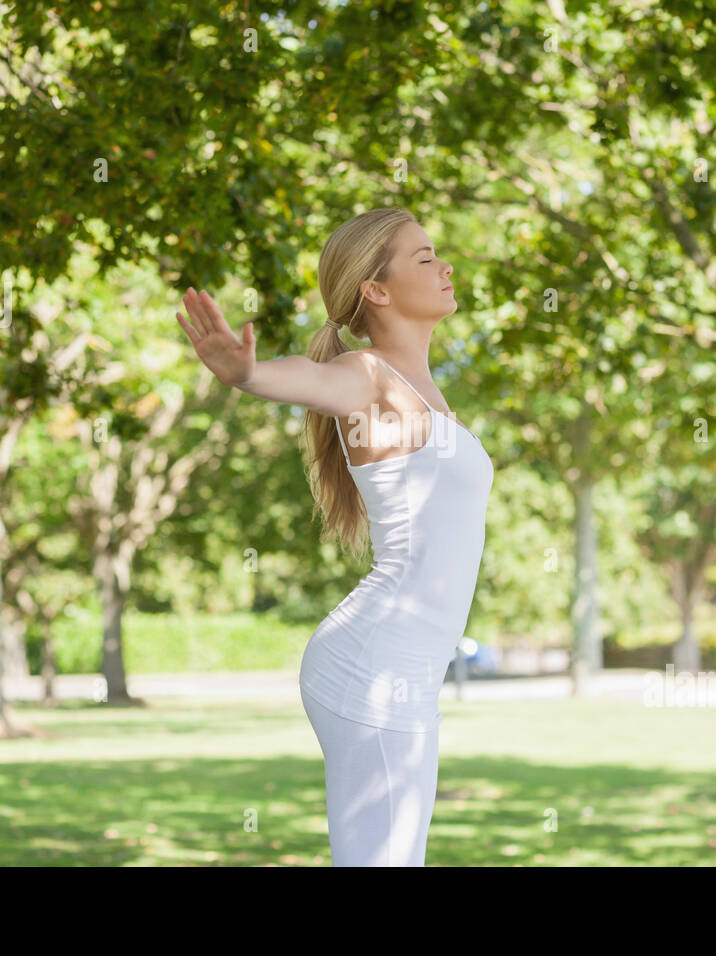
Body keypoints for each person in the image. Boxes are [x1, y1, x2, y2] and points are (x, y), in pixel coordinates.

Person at [175, 207, 494, 866]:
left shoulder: (422, 389)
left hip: (404, 668)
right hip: (374, 663)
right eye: (424, 258)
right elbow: (311, 380)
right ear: (375, 289)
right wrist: (245, 374)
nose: (445, 266)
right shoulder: (368, 377)